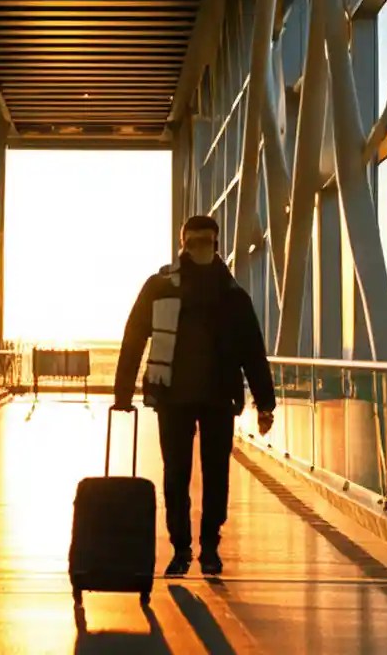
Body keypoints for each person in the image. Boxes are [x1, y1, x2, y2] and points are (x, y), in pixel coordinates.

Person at [112, 214, 276, 577]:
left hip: (208, 399)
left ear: (215, 245)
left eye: (207, 242)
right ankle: (187, 548)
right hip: (178, 398)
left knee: (206, 475)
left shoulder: (226, 295)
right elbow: (134, 335)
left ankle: (203, 547)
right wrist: (123, 392)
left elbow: (252, 351)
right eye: (196, 242)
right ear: (185, 244)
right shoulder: (176, 288)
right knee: (181, 476)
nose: (201, 248)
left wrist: (266, 403)